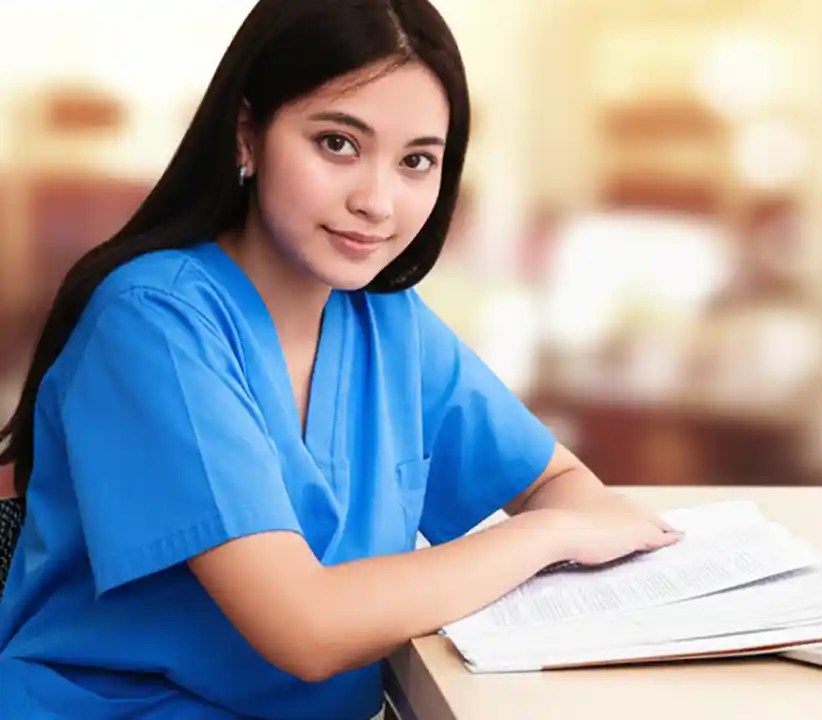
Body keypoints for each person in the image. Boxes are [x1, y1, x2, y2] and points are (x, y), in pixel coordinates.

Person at [0, 1, 682, 717]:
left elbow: (561, 484)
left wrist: (560, 526)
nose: (377, 201)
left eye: (417, 161)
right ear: (247, 134)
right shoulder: (154, 322)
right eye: (337, 144)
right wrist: (550, 537)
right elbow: (306, 629)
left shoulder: (389, 321)